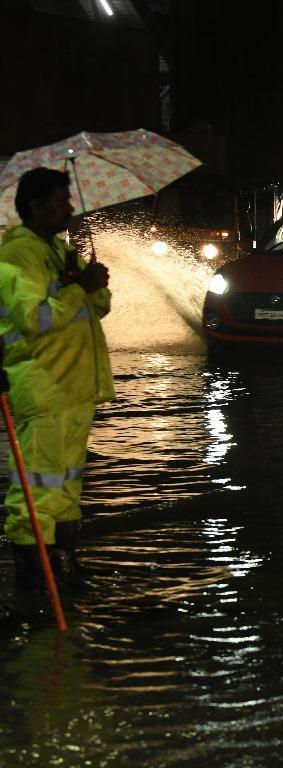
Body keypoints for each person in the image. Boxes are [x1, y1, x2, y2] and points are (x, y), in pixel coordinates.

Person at [0, 168, 113, 590]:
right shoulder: (17, 256)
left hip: (73, 387)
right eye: (61, 200)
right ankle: (35, 576)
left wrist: (90, 282)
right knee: (39, 483)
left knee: (65, 482)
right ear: (34, 205)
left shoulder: (58, 250)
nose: (69, 207)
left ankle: (64, 564)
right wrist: (77, 287)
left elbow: (97, 305)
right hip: (43, 386)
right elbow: (34, 319)